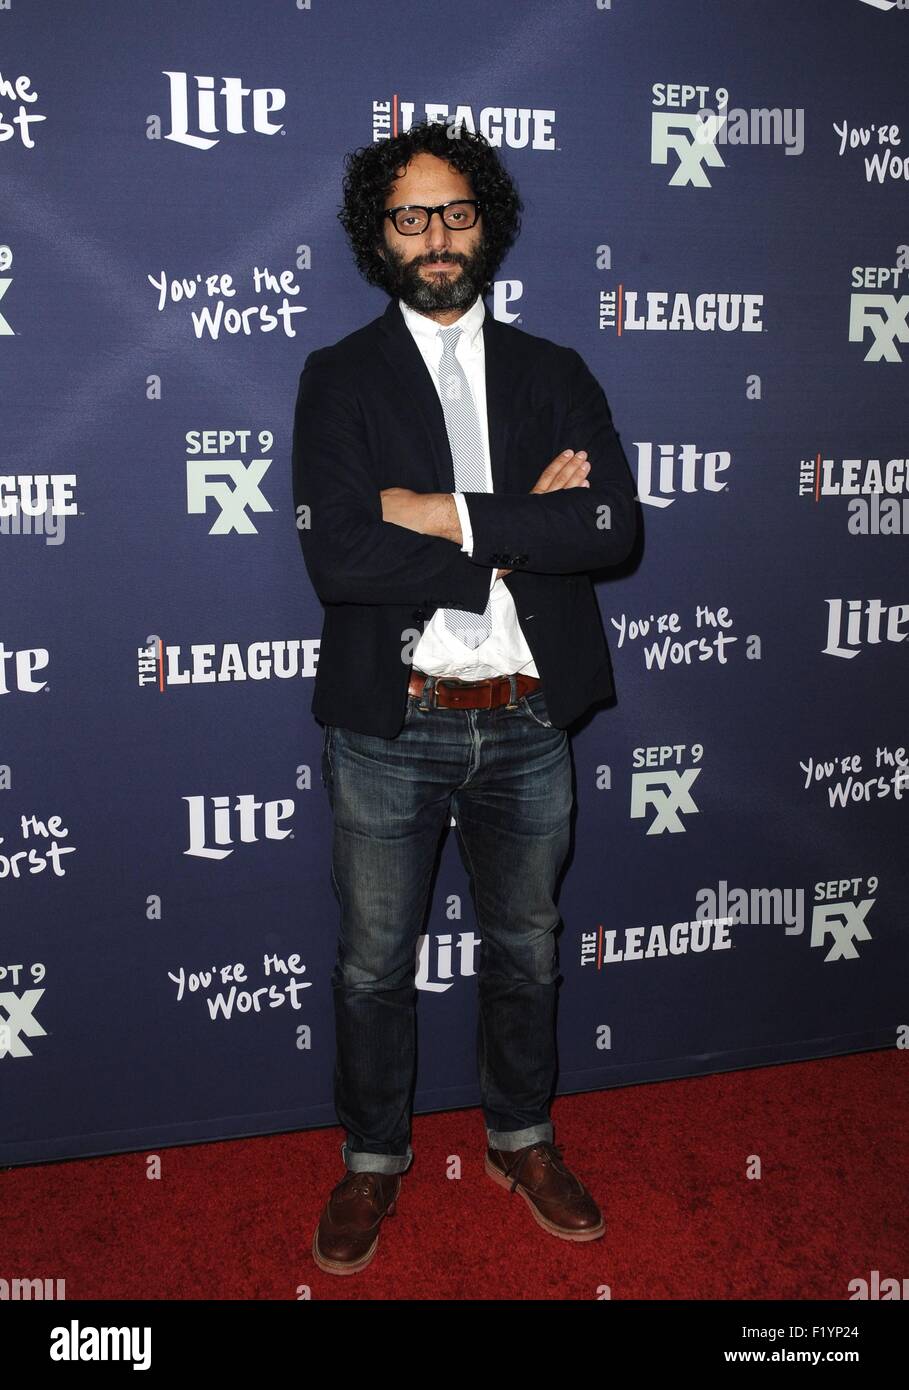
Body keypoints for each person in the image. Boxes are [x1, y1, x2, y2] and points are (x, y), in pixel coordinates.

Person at [292, 117, 637, 1276]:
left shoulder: (557, 373)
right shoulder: (338, 377)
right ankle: (373, 1158)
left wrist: (437, 510)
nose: (436, 237)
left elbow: (608, 526)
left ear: (485, 223)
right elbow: (339, 559)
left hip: (530, 720)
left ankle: (521, 1138)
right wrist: (515, 525)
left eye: (456, 212)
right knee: (373, 963)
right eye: (409, 216)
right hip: (392, 723)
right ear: (375, 235)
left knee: (528, 950)